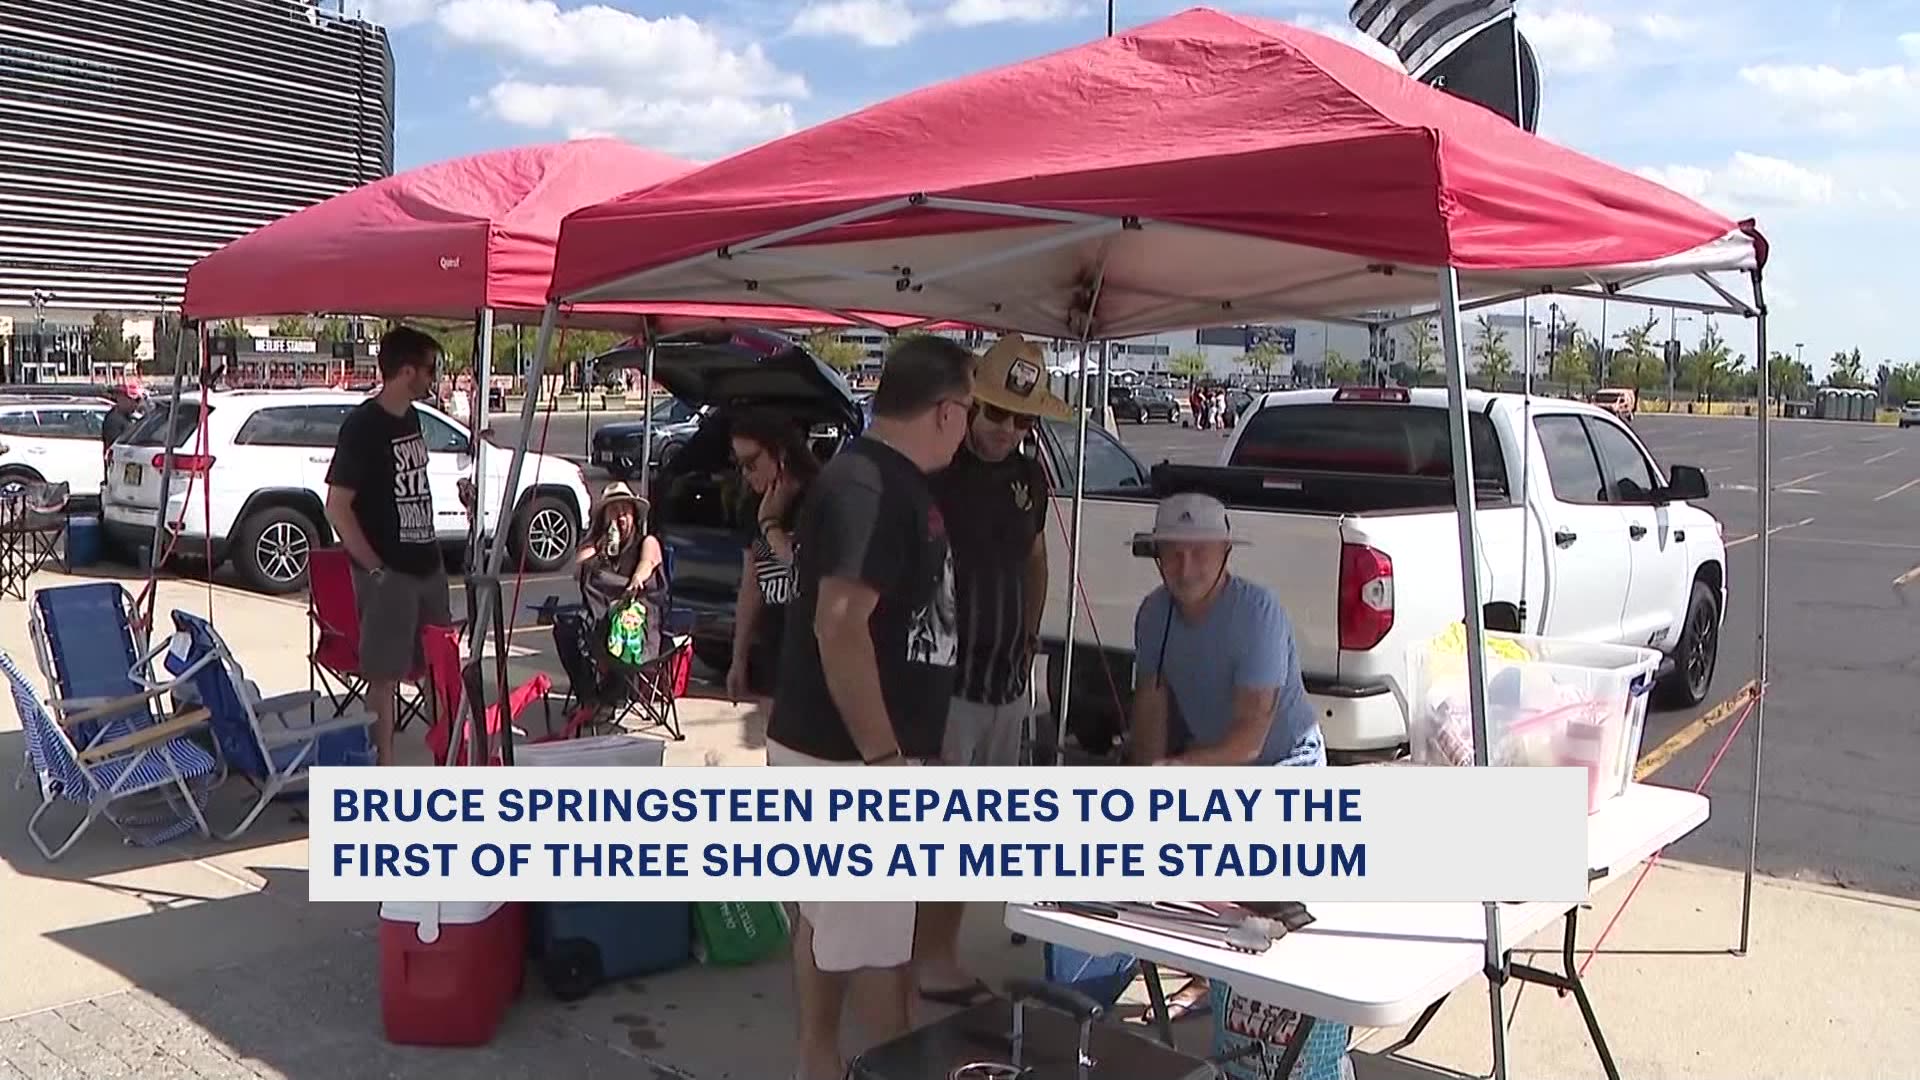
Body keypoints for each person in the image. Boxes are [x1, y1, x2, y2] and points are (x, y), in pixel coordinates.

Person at [768, 334, 972, 1080]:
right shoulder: (869, 486)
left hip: (848, 753)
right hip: (850, 762)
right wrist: (887, 763)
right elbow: (839, 622)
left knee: (830, 927)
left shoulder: (881, 480)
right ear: (947, 411)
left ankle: (817, 1064)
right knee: (885, 957)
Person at [1124, 491, 1325, 1021]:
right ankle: (1210, 975)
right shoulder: (1152, 614)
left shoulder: (1258, 613)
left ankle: (1251, 985)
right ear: (1158, 555)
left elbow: (1251, 738)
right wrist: (1146, 781)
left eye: (1200, 552)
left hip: (1286, 767)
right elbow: (1151, 703)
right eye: (1173, 552)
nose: (1185, 565)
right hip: (1215, 768)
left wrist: (1175, 772)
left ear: (1225, 554)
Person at [915, 332, 1066, 1006]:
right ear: (973, 407)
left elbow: (1034, 560)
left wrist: (1032, 634)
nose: (1007, 429)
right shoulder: (936, 472)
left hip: (1008, 684)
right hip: (948, 688)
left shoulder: (1031, 479)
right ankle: (925, 959)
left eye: (1022, 419)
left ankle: (933, 955)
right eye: (998, 413)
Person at [323, 326, 453, 767]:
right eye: (430, 369)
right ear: (406, 371)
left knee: (440, 667)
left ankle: (447, 757)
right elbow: (338, 506)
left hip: (427, 563)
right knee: (384, 677)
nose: (434, 379)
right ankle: (385, 769)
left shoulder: (412, 418)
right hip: (389, 572)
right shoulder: (364, 426)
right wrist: (375, 568)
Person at [724, 411, 817, 704]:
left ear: (780, 453)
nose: (746, 474)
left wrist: (771, 526)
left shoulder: (819, 499)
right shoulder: (755, 505)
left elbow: (806, 574)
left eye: (751, 463)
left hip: (816, 647)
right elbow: (751, 584)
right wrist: (738, 658)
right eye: (740, 466)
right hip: (776, 643)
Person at [575, 481, 667, 670]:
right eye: (614, 510)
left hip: (634, 623)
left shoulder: (647, 542)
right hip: (601, 619)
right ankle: (590, 694)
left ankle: (612, 693)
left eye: (625, 510)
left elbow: (646, 564)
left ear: (634, 515)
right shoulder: (598, 546)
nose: (621, 516)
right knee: (567, 631)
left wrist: (636, 580)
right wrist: (601, 546)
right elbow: (579, 570)